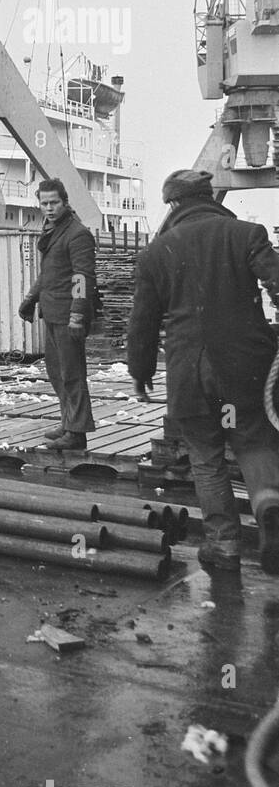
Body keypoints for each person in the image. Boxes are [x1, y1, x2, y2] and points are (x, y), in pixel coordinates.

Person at [126, 168, 279, 575]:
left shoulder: (156, 253)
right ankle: (268, 504)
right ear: (210, 196)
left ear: (174, 205)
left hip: (189, 371)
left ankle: (224, 544)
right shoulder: (247, 234)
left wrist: (140, 371)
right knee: (252, 440)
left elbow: (142, 322)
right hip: (243, 366)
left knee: (206, 457)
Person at [18, 178, 97, 451]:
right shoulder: (52, 230)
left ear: (65, 202)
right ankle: (68, 422)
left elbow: (82, 277)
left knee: (72, 373)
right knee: (57, 373)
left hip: (67, 315)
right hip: (52, 312)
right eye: (44, 203)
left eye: (54, 203)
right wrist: (31, 298)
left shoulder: (77, 234)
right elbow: (49, 273)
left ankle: (76, 434)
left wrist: (77, 314)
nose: (49, 208)